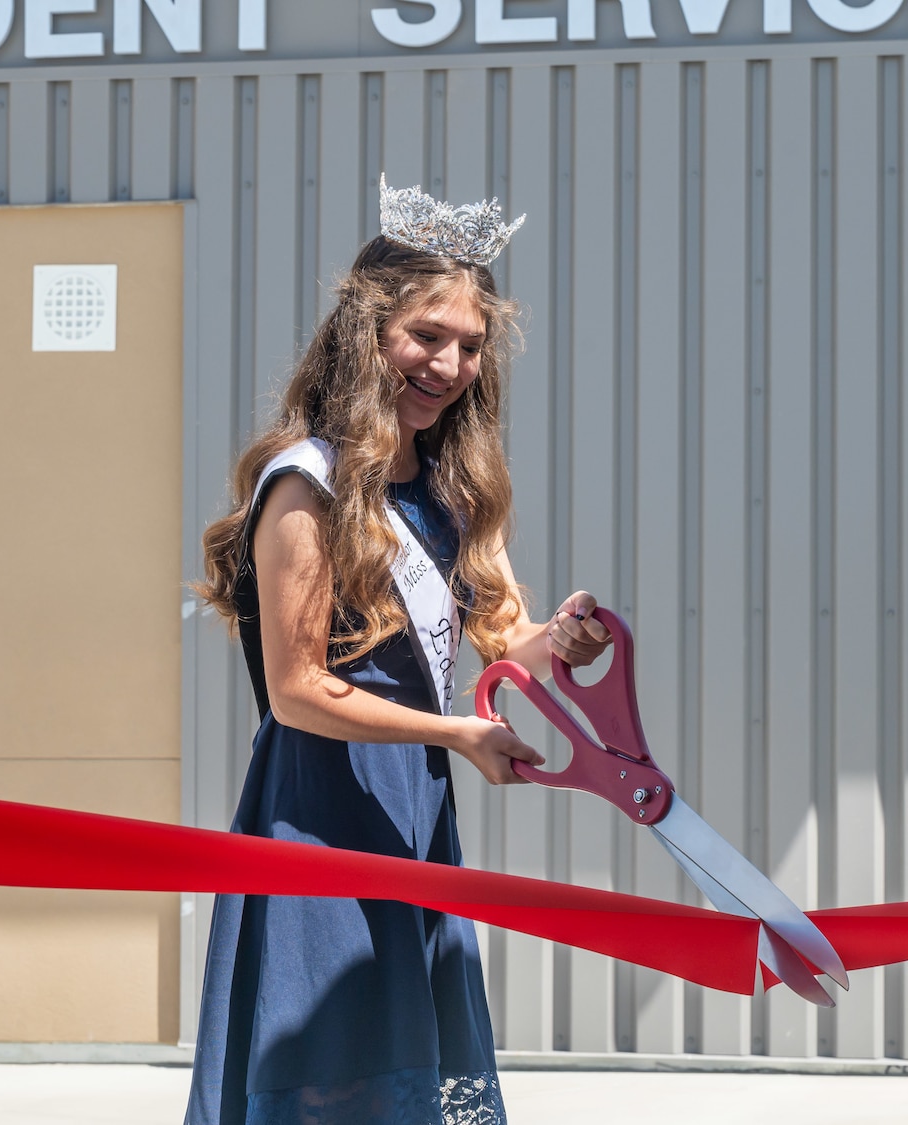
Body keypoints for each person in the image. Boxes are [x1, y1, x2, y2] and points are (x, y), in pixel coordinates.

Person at [186, 179, 614, 1125]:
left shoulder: (459, 488)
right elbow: (297, 691)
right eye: (427, 336)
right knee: (334, 1076)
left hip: (416, 807)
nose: (450, 363)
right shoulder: (304, 487)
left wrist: (566, 640)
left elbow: (511, 642)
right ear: (367, 331)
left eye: (469, 345)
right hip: (319, 812)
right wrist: (455, 733)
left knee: (412, 1080)